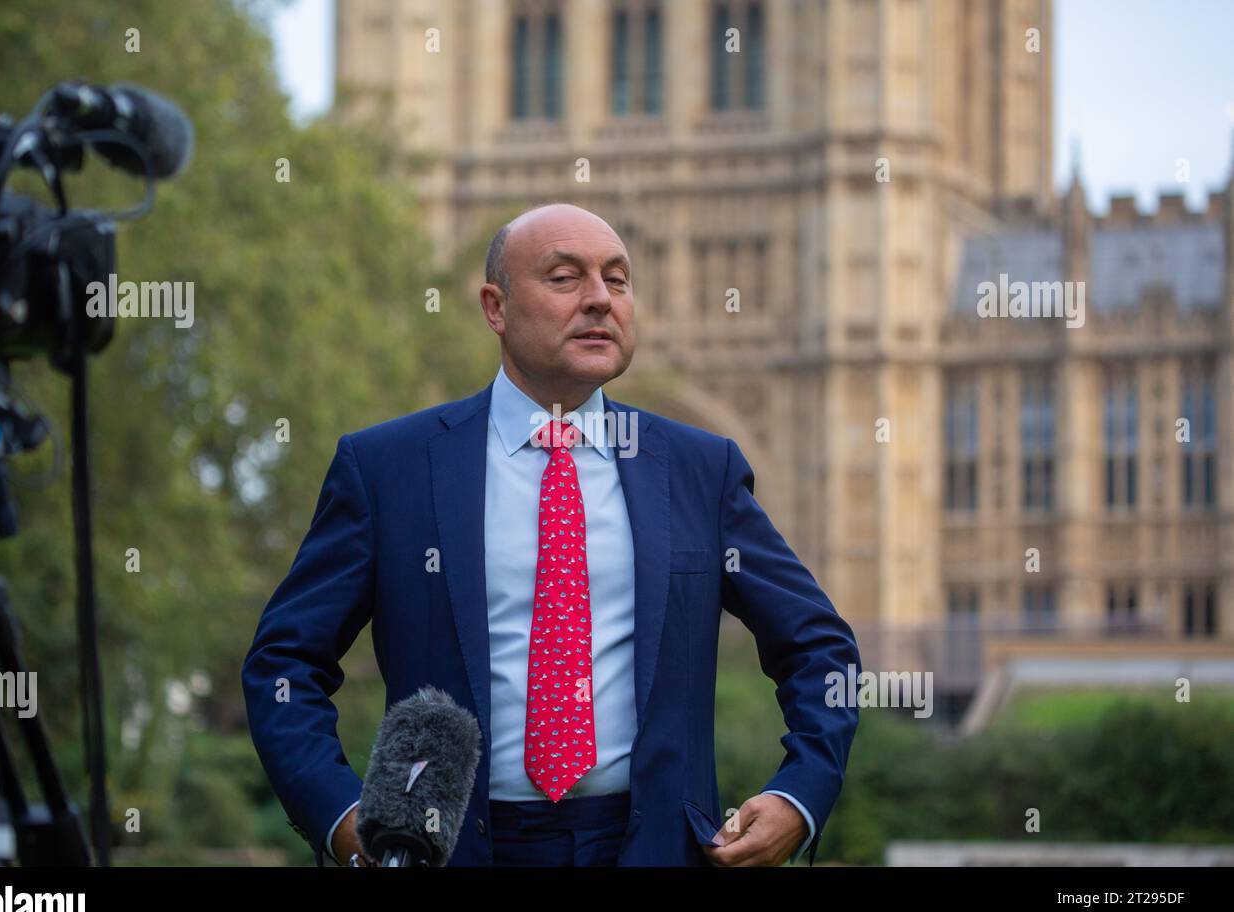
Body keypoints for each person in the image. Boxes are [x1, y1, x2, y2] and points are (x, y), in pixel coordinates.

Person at [242, 203, 860, 867]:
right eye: (565, 278)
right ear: (495, 307)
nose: (599, 299)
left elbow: (820, 649)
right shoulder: (388, 469)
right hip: (448, 852)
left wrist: (800, 793)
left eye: (617, 281)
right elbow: (285, 664)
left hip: (656, 849)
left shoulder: (699, 470)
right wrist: (343, 818)